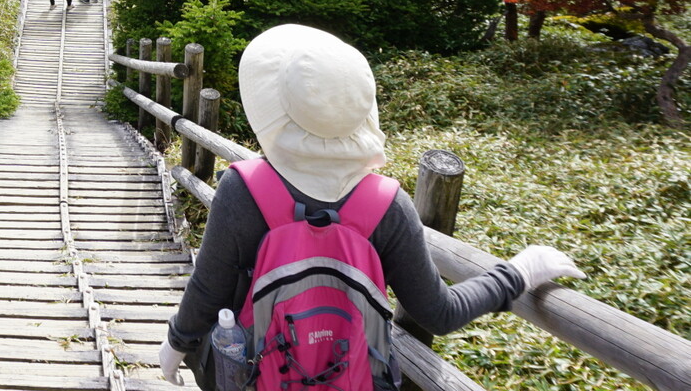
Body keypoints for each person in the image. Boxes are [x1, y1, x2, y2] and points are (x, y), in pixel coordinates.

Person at [159, 23, 584, 390]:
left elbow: (207, 291)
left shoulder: (244, 189)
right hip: (353, 375)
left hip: (257, 374)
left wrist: (176, 344)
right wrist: (520, 273)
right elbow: (439, 312)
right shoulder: (386, 203)